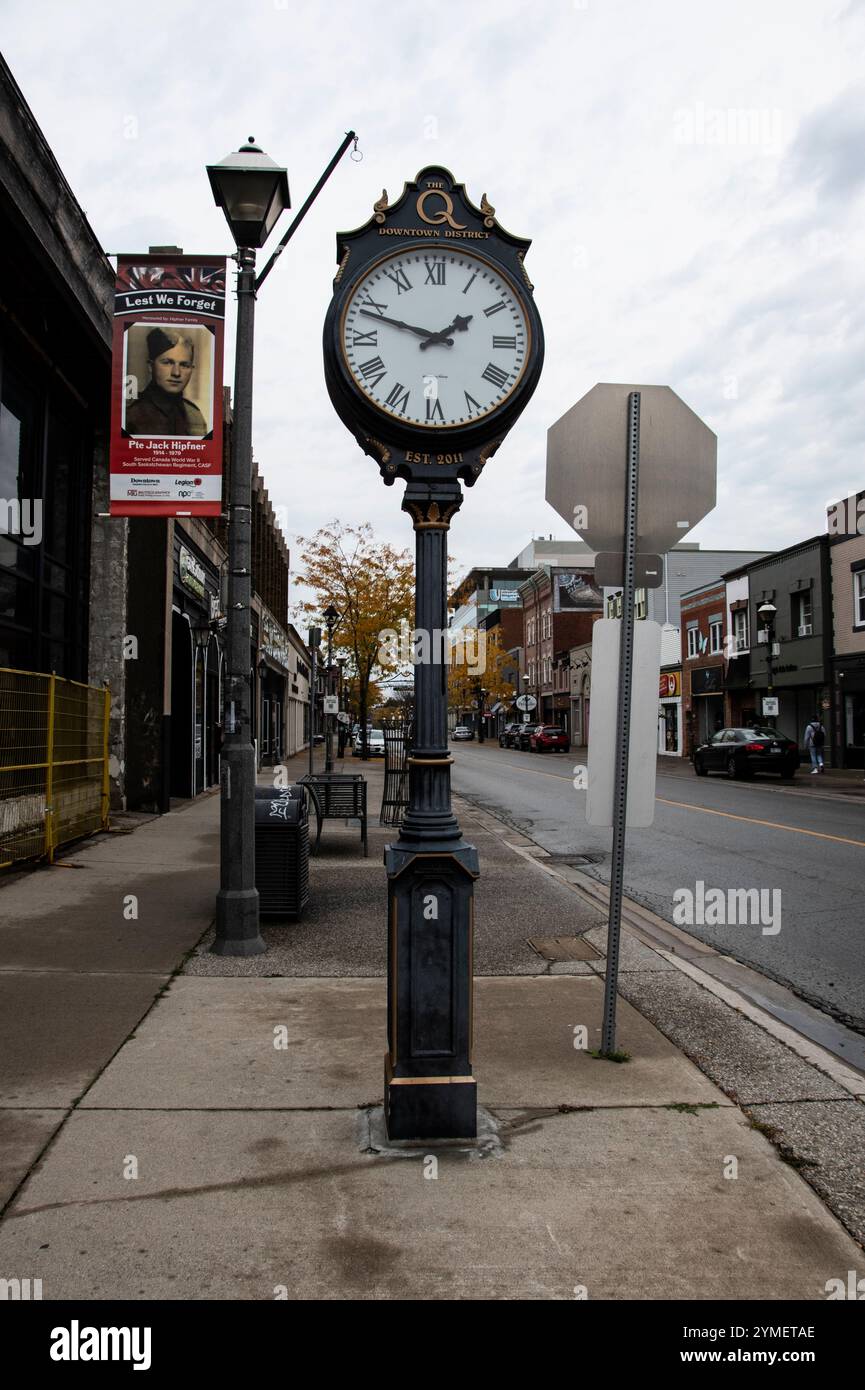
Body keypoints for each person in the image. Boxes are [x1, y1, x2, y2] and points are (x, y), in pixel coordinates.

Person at [125, 327, 208, 437]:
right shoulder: (130, 414)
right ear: (151, 366)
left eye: (184, 365)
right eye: (167, 362)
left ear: (192, 369)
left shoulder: (195, 416)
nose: (176, 373)